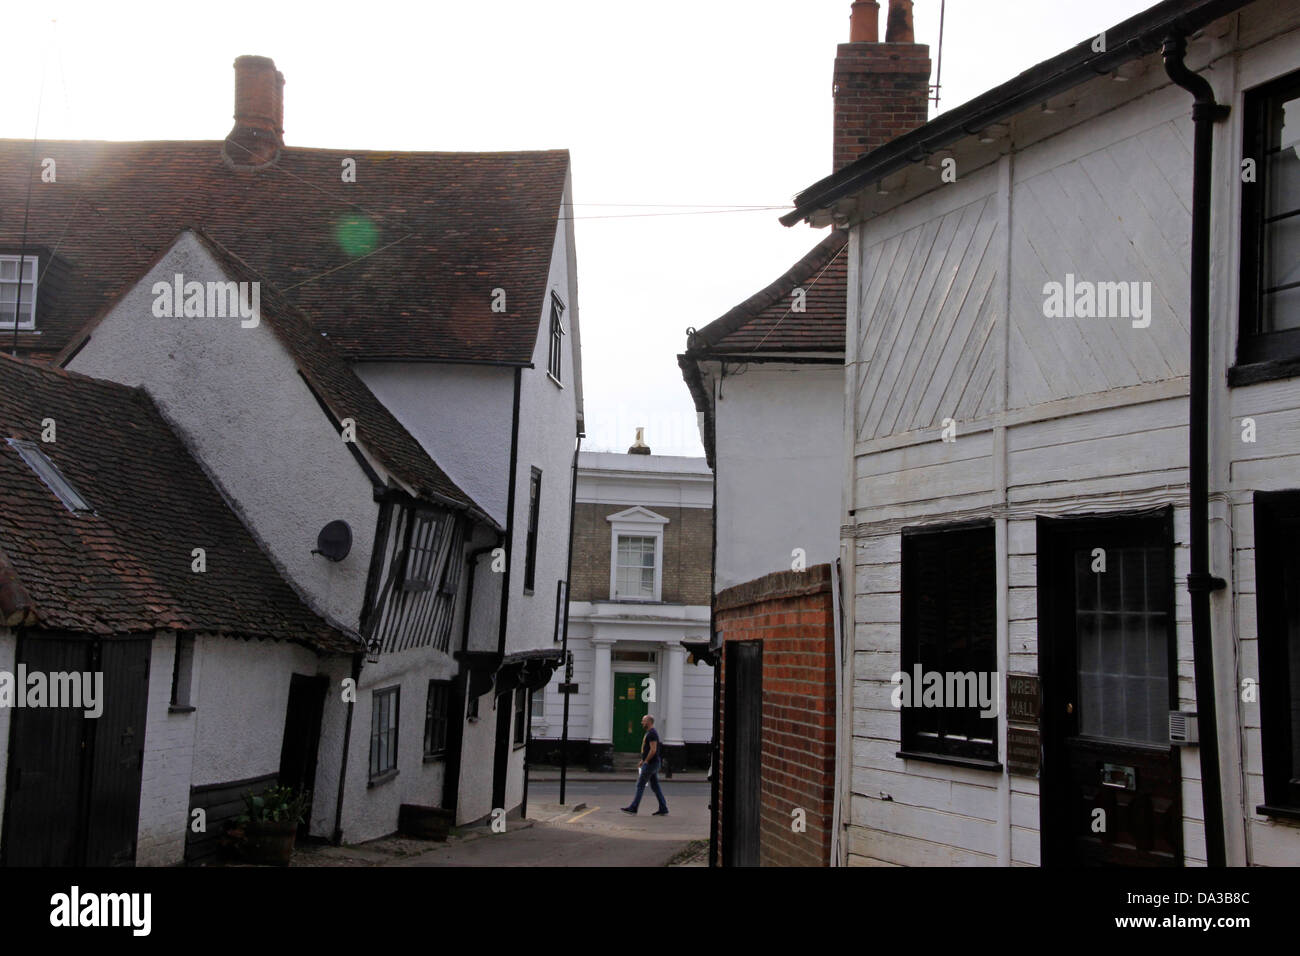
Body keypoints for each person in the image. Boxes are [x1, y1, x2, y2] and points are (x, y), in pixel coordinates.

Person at [621, 714, 669, 816]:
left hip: (651, 763)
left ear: (649, 722)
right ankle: (663, 808)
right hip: (652, 762)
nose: (642, 723)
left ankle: (633, 808)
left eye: (643, 721)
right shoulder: (650, 733)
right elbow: (648, 749)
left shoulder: (652, 733)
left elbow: (653, 750)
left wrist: (646, 761)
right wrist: (643, 760)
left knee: (640, 785)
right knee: (655, 786)